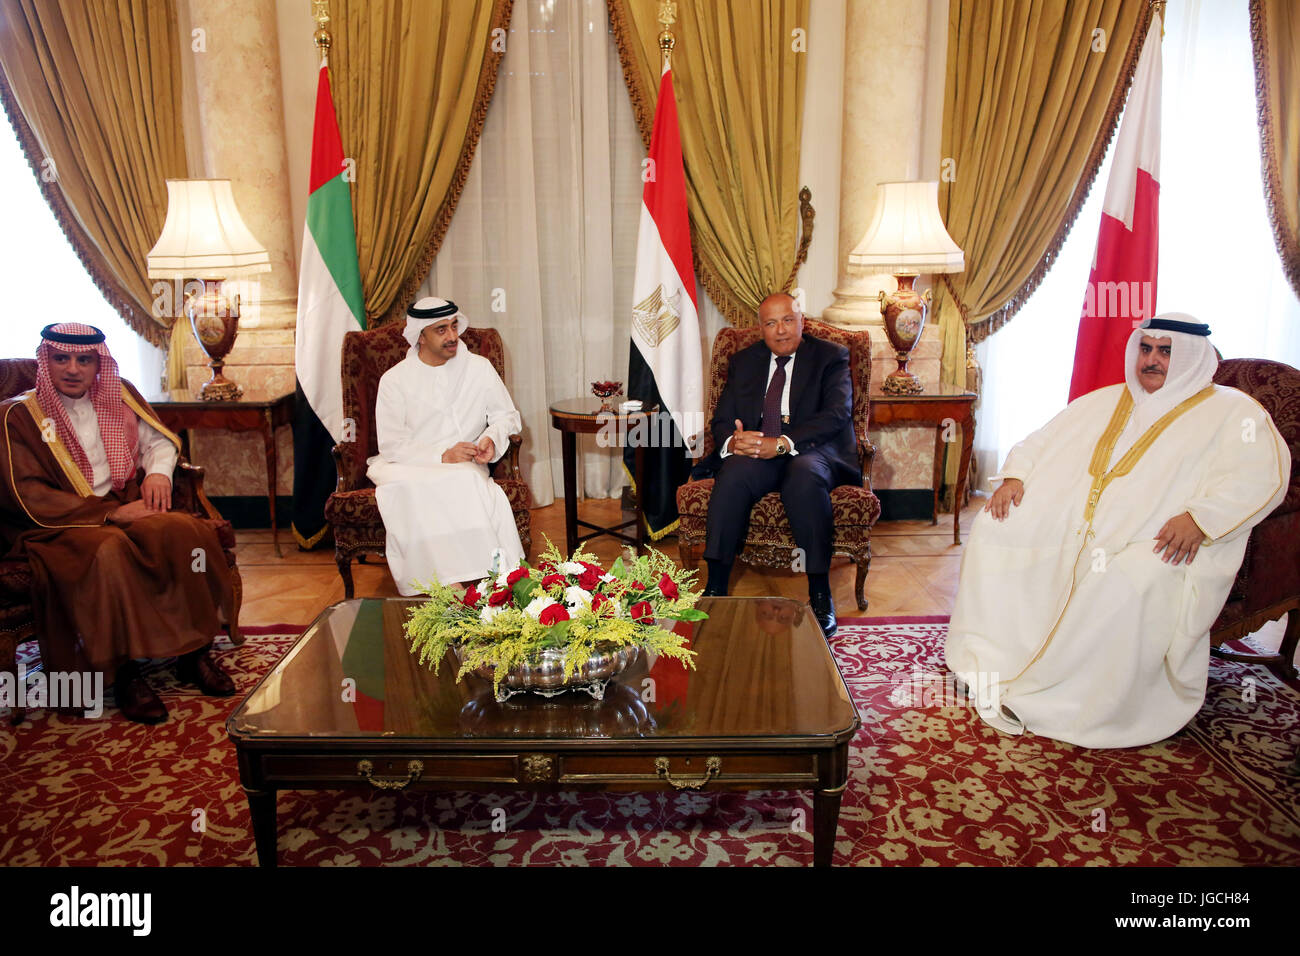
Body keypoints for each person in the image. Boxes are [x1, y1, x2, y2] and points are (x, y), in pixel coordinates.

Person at [946, 314, 1290, 748]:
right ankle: (996, 658)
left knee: (1121, 580)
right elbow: (1040, 439)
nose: (1152, 360)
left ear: (1190, 356)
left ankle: (1070, 698)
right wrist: (1015, 476)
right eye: (1146, 349)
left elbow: (1263, 478)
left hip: (1163, 542)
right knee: (997, 530)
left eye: (1165, 351)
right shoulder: (1107, 399)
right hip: (1074, 528)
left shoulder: (1233, 412)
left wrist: (1202, 519)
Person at [0, 323, 237, 724]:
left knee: (185, 533)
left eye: (84, 360)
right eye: (62, 358)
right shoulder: (17, 416)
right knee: (109, 551)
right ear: (47, 361)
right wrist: (106, 515)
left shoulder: (117, 394)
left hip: (122, 503)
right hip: (59, 525)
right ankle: (124, 672)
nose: (73, 369)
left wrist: (159, 472)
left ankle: (192, 653)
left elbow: (158, 440)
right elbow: (27, 494)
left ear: (98, 365)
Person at [695, 292, 861, 637]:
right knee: (735, 473)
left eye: (788, 320)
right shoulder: (744, 360)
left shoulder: (831, 356)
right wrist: (734, 441)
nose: (781, 330)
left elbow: (835, 415)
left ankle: (819, 594)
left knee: (804, 477)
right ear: (761, 329)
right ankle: (716, 587)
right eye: (771, 323)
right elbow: (722, 418)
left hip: (811, 447)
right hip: (759, 443)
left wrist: (784, 443)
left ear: (802, 321)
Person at [368, 297, 524, 594]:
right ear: (420, 337)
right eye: (441, 330)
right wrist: (441, 455)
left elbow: (507, 416)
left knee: (463, 478)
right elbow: (391, 443)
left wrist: (490, 438)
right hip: (407, 464)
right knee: (413, 489)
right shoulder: (394, 380)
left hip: (466, 463)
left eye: (454, 326)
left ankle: (484, 581)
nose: (452, 336)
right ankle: (450, 586)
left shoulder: (479, 368)